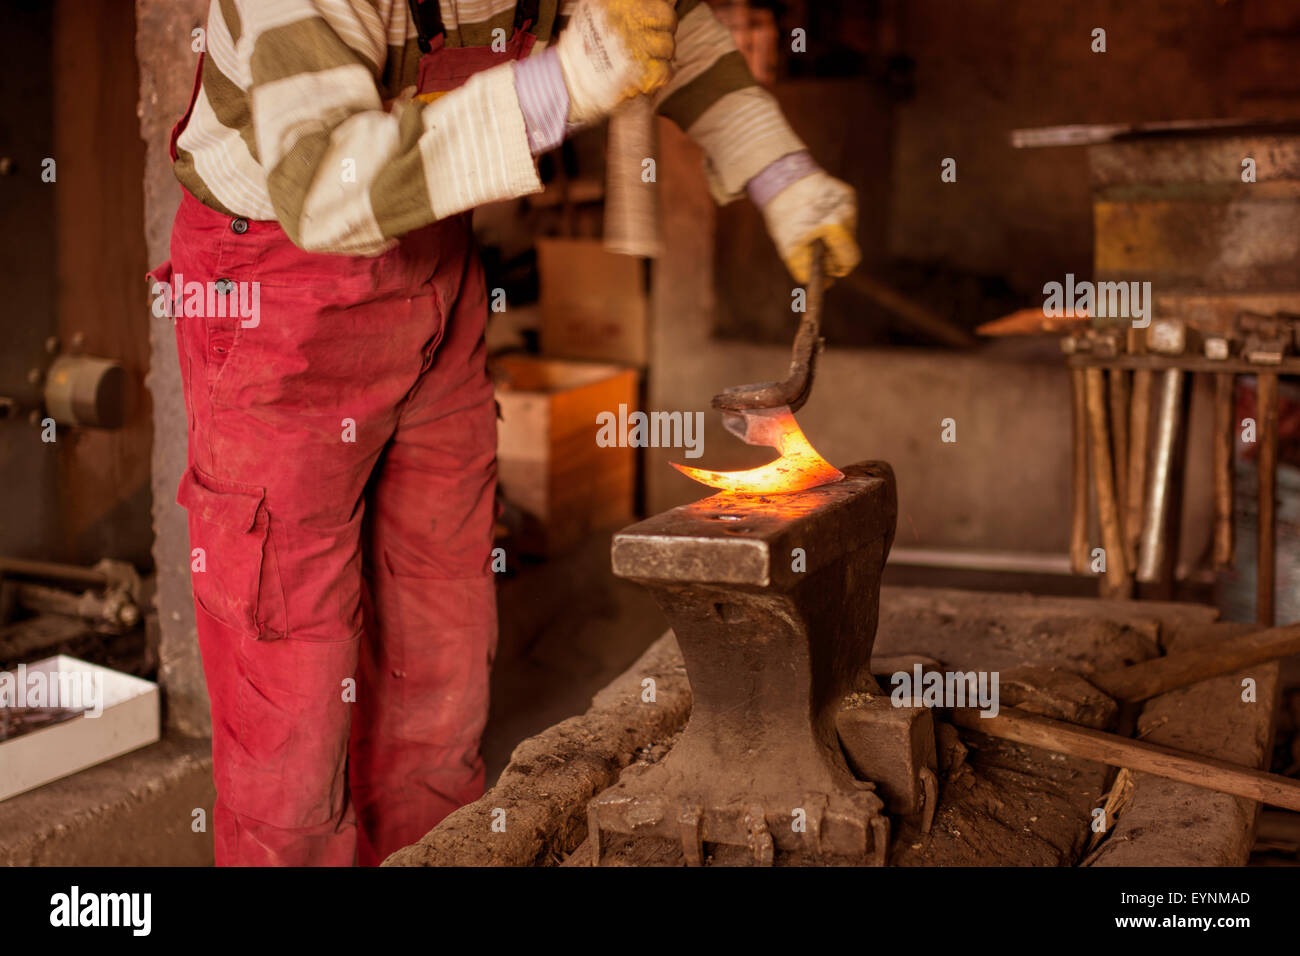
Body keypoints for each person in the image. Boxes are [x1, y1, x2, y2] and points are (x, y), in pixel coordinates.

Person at [150, 0, 860, 866]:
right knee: (291, 692)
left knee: (439, 653)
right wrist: (558, 87)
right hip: (278, 284)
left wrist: (776, 168)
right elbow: (324, 189)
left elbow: (675, 30)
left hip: (434, 263)